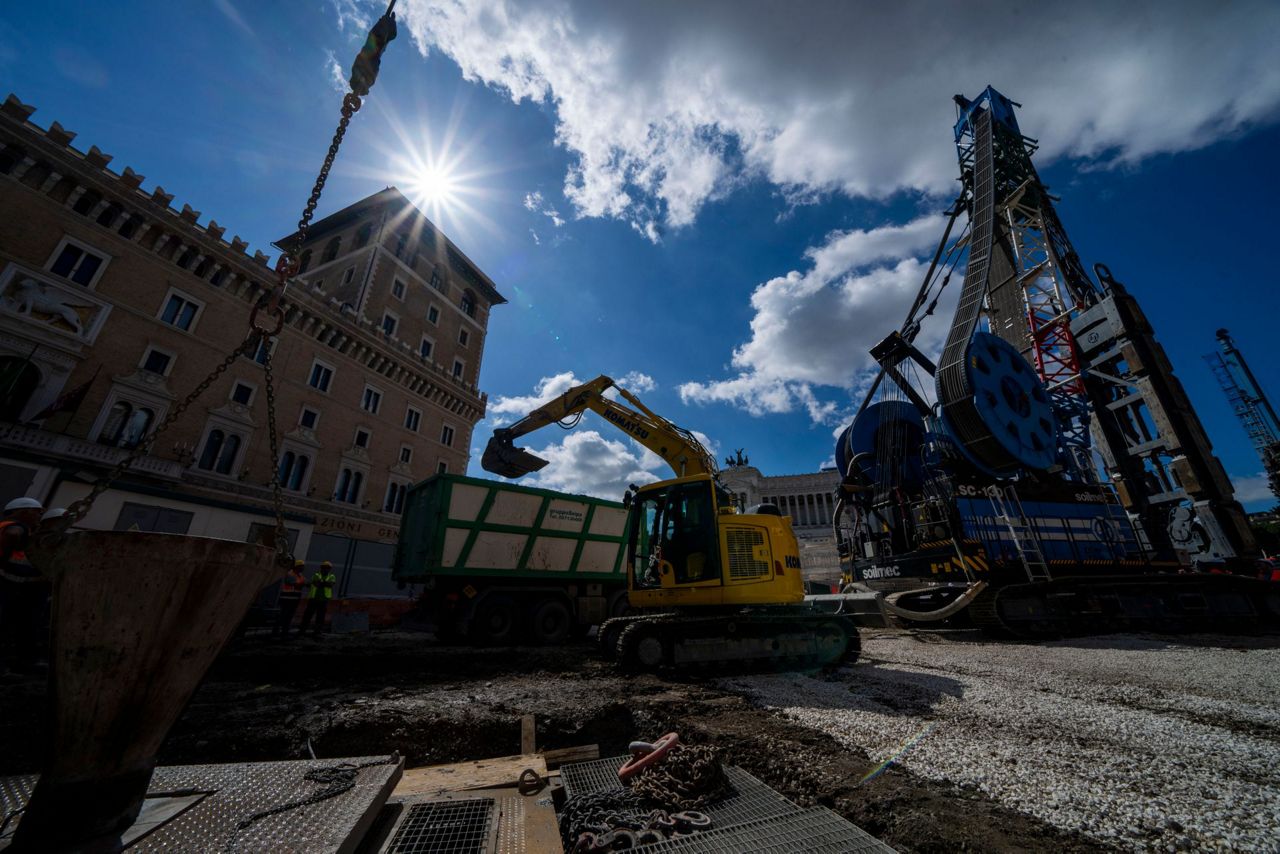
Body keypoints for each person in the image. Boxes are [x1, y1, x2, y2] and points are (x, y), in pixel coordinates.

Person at [0, 497, 48, 672]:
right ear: (24, 511)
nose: (39, 516)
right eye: (37, 512)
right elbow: (13, 535)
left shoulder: (6, 526)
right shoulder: (17, 527)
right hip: (9, 582)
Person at [299, 560, 336, 636]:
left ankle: (317, 631)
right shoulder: (316, 575)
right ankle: (302, 630)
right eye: (324, 568)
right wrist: (324, 583)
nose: (326, 569)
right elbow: (317, 584)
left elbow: (330, 584)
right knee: (308, 615)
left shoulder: (332, 576)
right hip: (314, 599)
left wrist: (322, 583)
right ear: (321, 568)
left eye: (328, 568)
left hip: (323, 600)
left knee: (320, 617)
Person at [273, 560, 307, 639]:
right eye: (301, 566)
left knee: (289, 616)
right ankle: (276, 633)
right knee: (282, 616)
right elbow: (293, 584)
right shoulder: (290, 574)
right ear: (297, 567)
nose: (303, 568)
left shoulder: (300, 576)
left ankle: (284, 632)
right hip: (286, 598)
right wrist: (302, 584)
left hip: (294, 599)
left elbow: (304, 582)